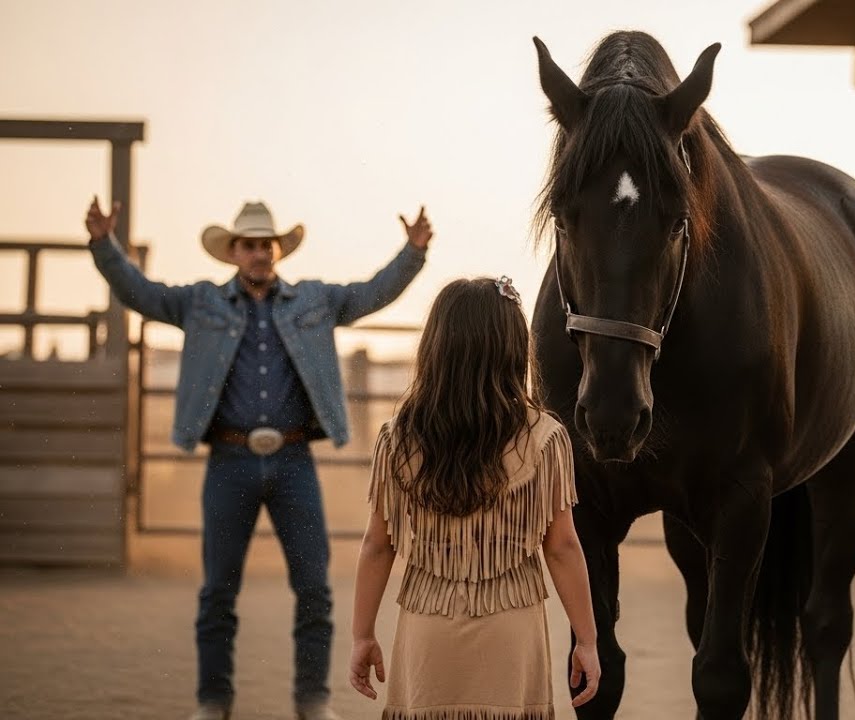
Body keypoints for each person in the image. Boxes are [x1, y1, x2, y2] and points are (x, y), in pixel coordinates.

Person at [84, 197, 434, 720]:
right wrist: (103, 246)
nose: (259, 253)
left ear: (277, 250)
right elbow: (142, 293)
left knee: (314, 587)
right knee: (217, 592)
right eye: (248, 245)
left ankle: (312, 700)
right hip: (230, 459)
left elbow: (370, 294)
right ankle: (213, 701)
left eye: (266, 244)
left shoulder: (313, 300)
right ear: (233, 252)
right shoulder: (200, 303)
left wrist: (412, 251)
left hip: (294, 459)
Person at [348, 276, 601, 719]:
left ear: (435, 348)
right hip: (512, 628)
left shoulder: (397, 440)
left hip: (429, 628)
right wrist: (587, 640)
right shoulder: (545, 439)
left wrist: (362, 636)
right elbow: (561, 547)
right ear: (513, 349)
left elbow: (377, 545)